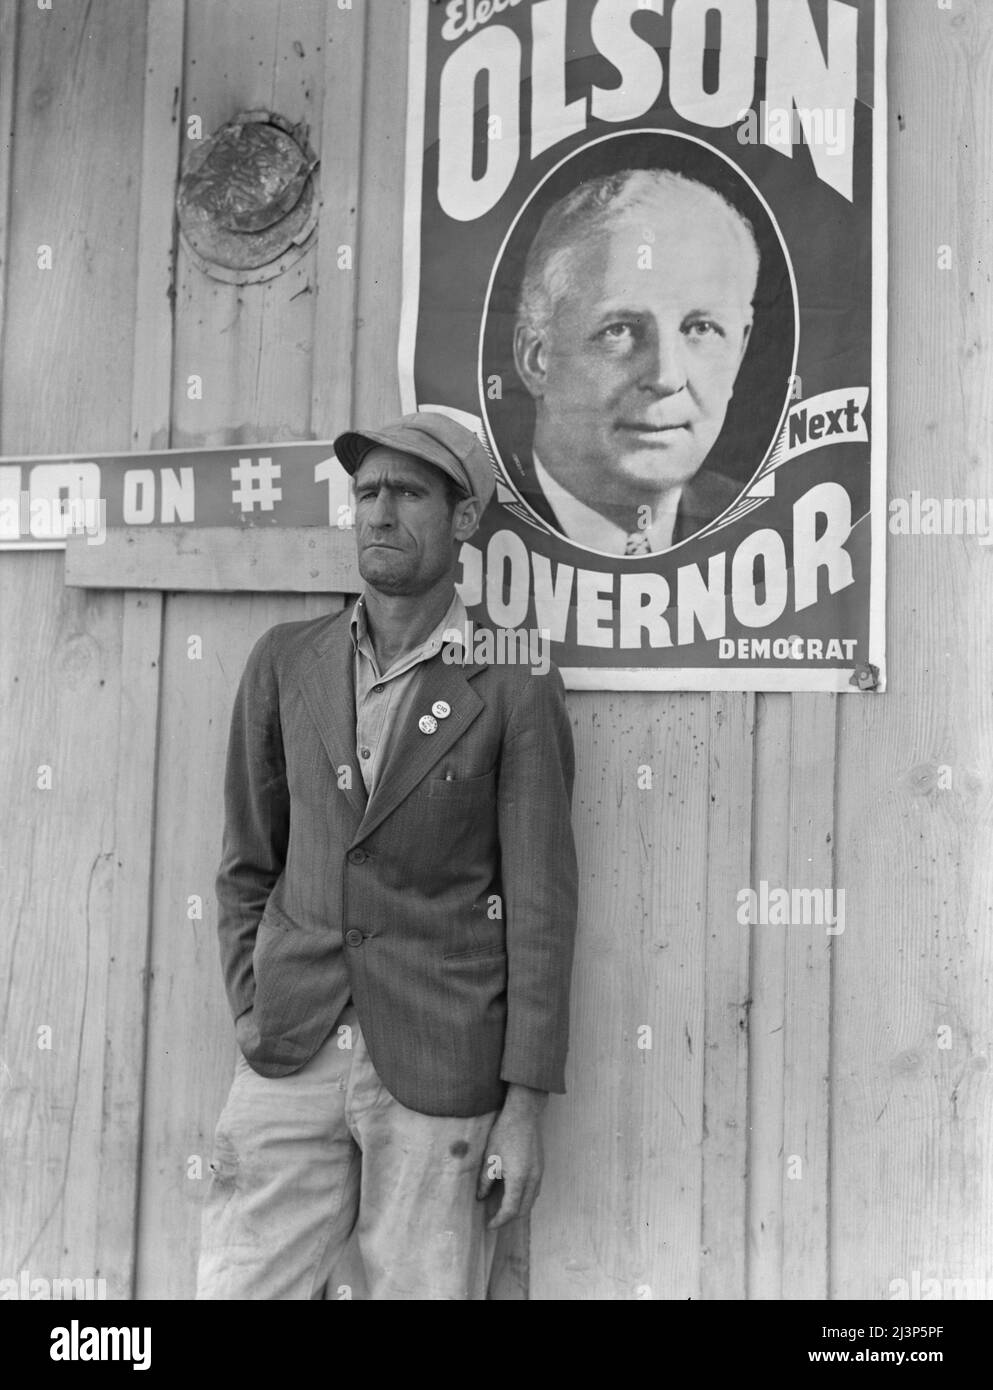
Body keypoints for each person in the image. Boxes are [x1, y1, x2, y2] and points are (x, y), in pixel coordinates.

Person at [196, 410, 579, 1301]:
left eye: (407, 493)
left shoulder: (512, 684)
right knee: (240, 1285)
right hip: (290, 1047)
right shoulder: (288, 660)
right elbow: (247, 863)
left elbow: (541, 909)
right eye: (366, 493)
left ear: (462, 520)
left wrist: (524, 1106)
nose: (378, 512)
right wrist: (257, 1009)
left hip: (441, 1059)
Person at [512, 167, 760, 554]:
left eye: (701, 328)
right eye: (620, 330)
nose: (666, 376)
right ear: (536, 358)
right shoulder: (474, 520)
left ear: (740, 349)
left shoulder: (758, 525)